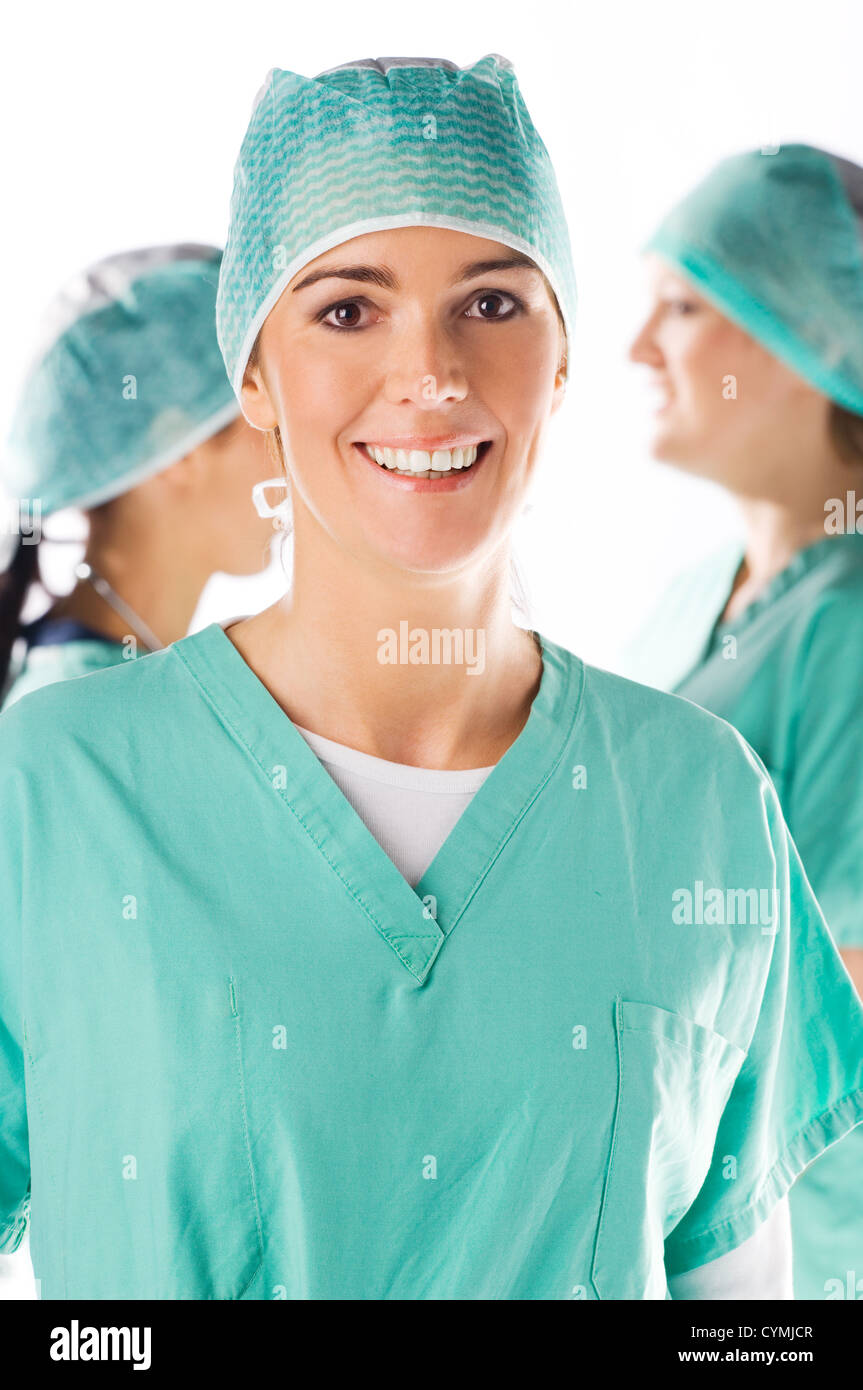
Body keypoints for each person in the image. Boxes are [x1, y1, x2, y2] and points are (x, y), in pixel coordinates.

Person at [0, 58, 861, 1302]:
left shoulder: (701, 801)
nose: (433, 374)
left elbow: (741, 1312)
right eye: (347, 309)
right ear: (252, 375)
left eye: (493, 304)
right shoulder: (52, 793)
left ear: (560, 358)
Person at [624, 144, 863, 1299]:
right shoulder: (686, 600)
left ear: (811, 330)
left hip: (813, 1236)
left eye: (679, 306)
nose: (634, 348)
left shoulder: (853, 626)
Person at [0, 243, 274, 709]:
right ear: (176, 448)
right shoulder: (88, 715)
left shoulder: (89, 688)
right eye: (265, 413)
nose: (289, 451)